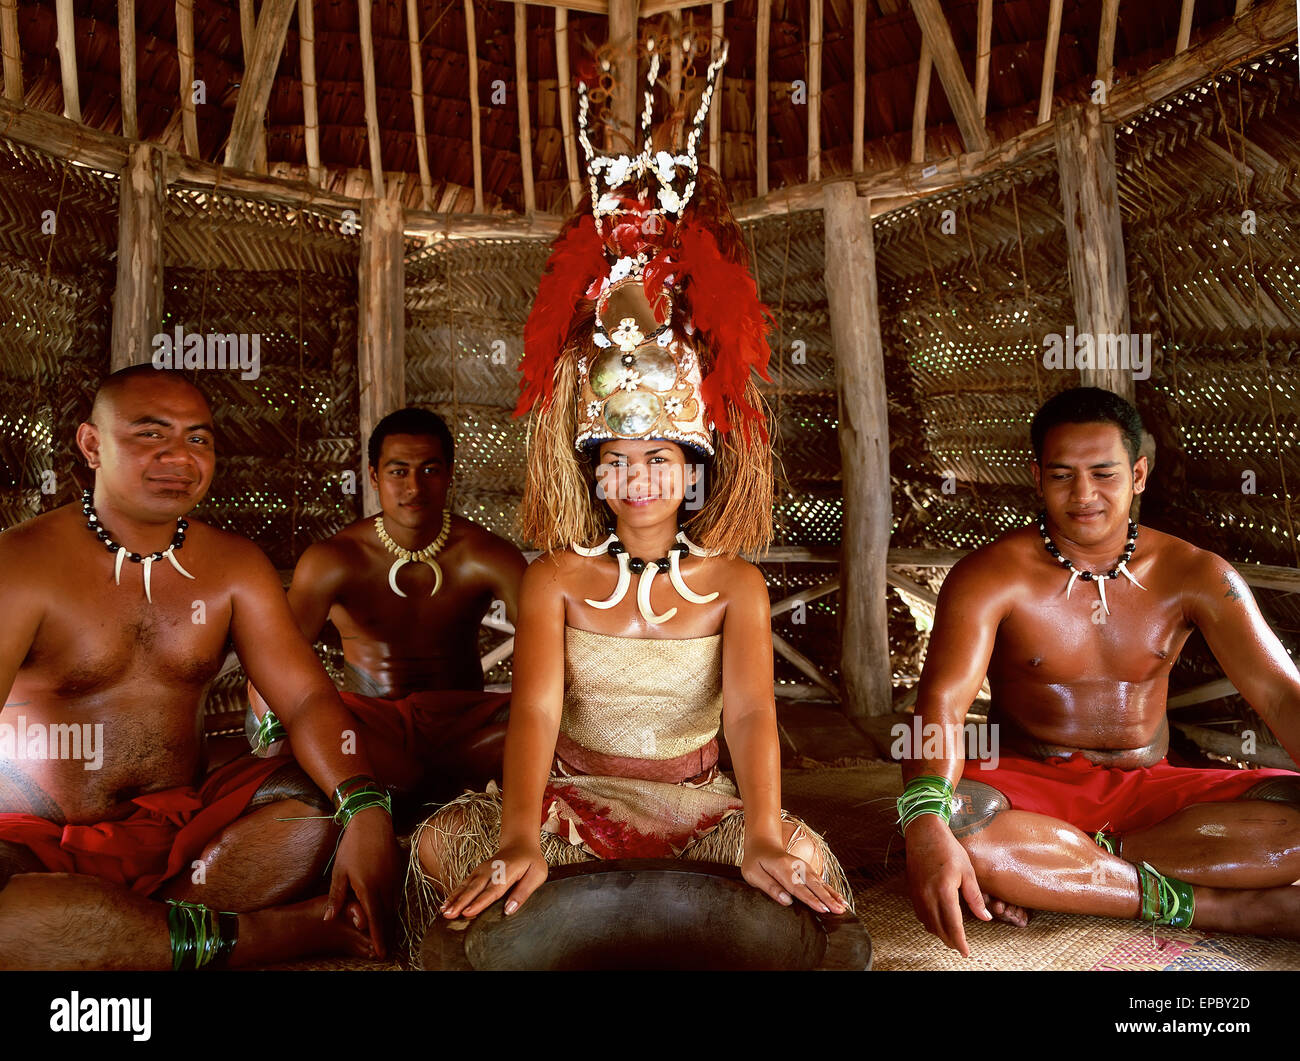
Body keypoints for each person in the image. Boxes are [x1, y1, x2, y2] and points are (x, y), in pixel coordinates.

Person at [405, 59, 852, 950]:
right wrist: (523, 833)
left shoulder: (735, 585)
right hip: (574, 798)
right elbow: (533, 711)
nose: (641, 475)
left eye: (660, 456)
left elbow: (753, 715)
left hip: (698, 805)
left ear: (693, 468)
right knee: (445, 844)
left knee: (802, 863)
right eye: (620, 457)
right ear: (593, 468)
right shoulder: (555, 578)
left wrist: (761, 829)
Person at [0, 365, 398, 970]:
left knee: (314, 813)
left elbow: (305, 701)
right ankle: (264, 936)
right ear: (91, 444)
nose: (178, 457)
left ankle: (132, 934)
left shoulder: (235, 566)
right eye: (149, 434)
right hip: (31, 839)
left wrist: (366, 810)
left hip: (184, 837)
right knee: (12, 917)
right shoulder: (21, 563)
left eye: (198, 438)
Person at [901, 386, 1300, 956]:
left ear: (1138, 475)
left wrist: (1061, 857)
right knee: (954, 823)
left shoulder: (1196, 573)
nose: (1084, 494)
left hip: (1154, 792)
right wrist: (924, 827)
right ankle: (1223, 906)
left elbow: (1282, 695)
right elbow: (940, 705)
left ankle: (1070, 868)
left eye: (1104, 473)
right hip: (1029, 792)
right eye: (1062, 475)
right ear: (1038, 478)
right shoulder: (988, 576)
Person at [246, 407, 525, 799]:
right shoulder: (335, 559)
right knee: (309, 730)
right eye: (398, 471)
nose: (414, 487)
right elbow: (272, 658)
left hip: (463, 723)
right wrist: (273, 734)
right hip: (368, 725)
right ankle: (429, 785)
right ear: (374, 477)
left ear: (449, 474)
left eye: (429, 470)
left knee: (547, 724)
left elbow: (545, 649)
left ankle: (414, 785)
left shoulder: (487, 556)